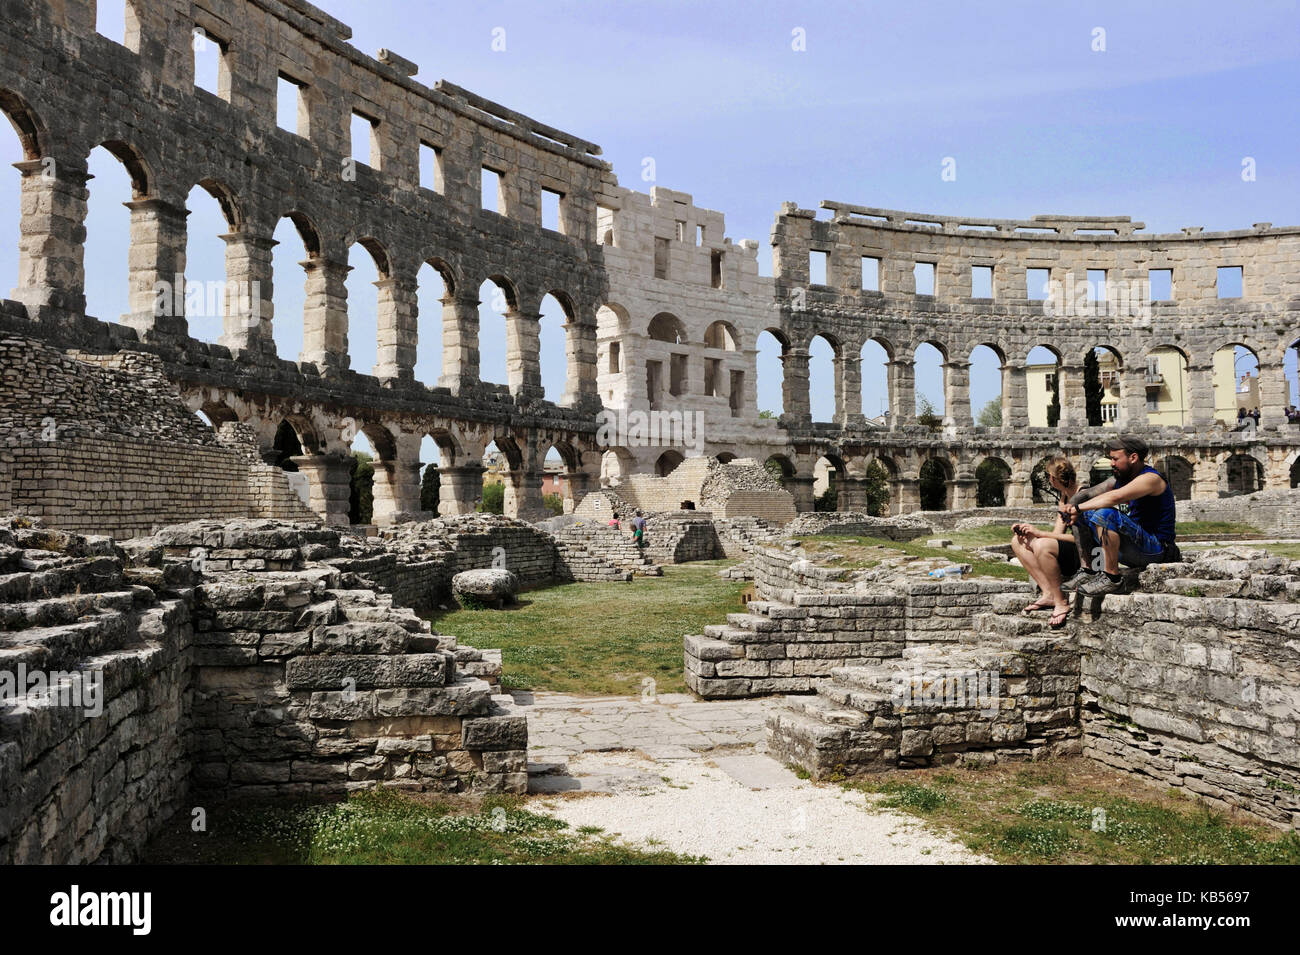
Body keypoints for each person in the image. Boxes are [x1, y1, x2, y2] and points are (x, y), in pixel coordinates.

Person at [1060, 435, 1179, 597]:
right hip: (1135, 547)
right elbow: (1087, 495)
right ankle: (1088, 570)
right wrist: (1072, 505)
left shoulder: (1151, 478)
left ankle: (1112, 579)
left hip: (1158, 550)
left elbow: (1114, 497)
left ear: (1133, 458)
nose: (1111, 463)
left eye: (1115, 459)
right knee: (1084, 514)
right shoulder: (1120, 478)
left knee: (1105, 513)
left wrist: (1077, 508)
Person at [1010, 457, 1083, 629]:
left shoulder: (1083, 496)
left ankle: (1061, 602)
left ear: (1052, 478)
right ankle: (1049, 592)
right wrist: (1028, 531)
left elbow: (1087, 539)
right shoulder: (1065, 497)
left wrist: (1040, 534)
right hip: (1072, 551)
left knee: (1041, 544)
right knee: (1018, 541)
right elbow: (1057, 534)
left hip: (1086, 554)